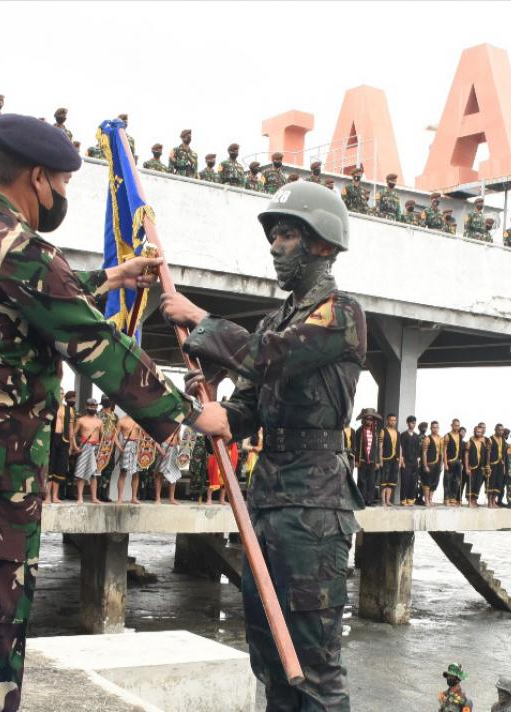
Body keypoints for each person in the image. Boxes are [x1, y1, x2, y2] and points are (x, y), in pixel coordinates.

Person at [0, 114, 227, 712]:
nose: (62, 197)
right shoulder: (17, 245)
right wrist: (187, 415)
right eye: (61, 184)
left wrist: (111, 276)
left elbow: (34, 298)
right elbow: (93, 342)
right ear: (36, 178)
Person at [160, 179, 365, 711]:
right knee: (268, 652)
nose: (274, 247)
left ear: (321, 243)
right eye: (273, 235)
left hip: (313, 505)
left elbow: (269, 357)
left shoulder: (340, 314)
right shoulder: (275, 319)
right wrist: (203, 409)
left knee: (314, 663)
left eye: (287, 235)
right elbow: (243, 411)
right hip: (268, 499)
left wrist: (201, 320)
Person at [71, 398, 102, 504]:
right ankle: (80, 497)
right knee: (81, 473)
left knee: (94, 474)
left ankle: (94, 498)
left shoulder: (99, 421)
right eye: (91, 406)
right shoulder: (81, 420)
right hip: (84, 447)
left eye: (95, 406)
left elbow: (103, 438)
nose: (93, 407)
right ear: (86, 406)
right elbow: (73, 434)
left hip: (96, 447)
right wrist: (75, 447)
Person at [354, 408, 382, 506]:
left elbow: (377, 448)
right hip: (362, 460)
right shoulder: (359, 432)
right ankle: (361, 500)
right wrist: (356, 460)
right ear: (363, 420)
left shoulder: (375, 433)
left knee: (371, 481)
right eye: (367, 419)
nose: (369, 421)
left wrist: (378, 461)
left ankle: (369, 500)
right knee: (362, 481)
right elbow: (356, 447)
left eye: (371, 419)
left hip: (373, 460)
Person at [114, 413, 143, 504]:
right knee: (123, 472)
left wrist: (141, 448)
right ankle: (120, 498)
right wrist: (119, 447)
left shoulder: (139, 420)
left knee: (136, 473)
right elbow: (115, 436)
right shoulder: (122, 421)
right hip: (126, 445)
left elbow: (143, 435)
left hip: (136, 446)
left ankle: (133, 497)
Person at [95, 396, 119, 500]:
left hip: (110, 448)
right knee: (97, 469)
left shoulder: (115, 416)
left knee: (109, 469)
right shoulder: (97, 415)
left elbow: (116, 432)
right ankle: (95, 493)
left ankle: (103, 493)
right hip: (98, 446)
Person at [205, 438, 238, 505]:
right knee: (213, 478)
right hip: (217, 456)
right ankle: (209, 499)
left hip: (227, 456)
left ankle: (222, 499)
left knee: (225, 481)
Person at [154, 428, 182, 504]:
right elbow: (155, 439)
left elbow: (178, 437)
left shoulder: (178, 424)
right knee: (159, 474)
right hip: (164, 448)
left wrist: (183, 449)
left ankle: (172, 498)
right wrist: (160, 450)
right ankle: (157, 498)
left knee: (173, 473)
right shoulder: (163, 424)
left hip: (174, 450)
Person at [465, 422, 489, 506]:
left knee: (478, 484)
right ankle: (469, 501)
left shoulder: (484, 441)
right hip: (472, 466)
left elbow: (487, 453)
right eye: (477, 432)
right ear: (474, 432)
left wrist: (486, 466)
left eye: (480, 432)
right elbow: (466, 455)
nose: (478, 433)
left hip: (481, 467)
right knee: (471, 483)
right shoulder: (470, 441)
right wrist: (467, 467)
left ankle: (474, 500)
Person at [399, 415, 421, 505]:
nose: (413, 424)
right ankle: (403, 500)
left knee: (413, 481)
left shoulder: (416, 436)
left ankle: (410, 499)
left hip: (414, 462)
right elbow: (401, 448)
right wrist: (402, 461)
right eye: (412, 422)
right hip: (406, 462)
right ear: (408, 423)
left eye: (414, 423)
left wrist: (418, 460)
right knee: (405, 481)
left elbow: (418, 449)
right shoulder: (403, 435)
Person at [421, 419, 444, 507]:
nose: (435, 429)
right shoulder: (427, 438)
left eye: (437, 427)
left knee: (435, 482)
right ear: (431, 428)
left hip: (438, 464)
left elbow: (442, 452)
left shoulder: (441, 439)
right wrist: (425, 465)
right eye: (434, 427)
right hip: (430, 463)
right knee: (427, 483)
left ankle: (430, 499)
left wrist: (442, 464)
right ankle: (426, 500)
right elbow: (424, 452)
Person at [381, 413, 401, 506]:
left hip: (395, 458)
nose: (393, 422)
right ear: (387, 421)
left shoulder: (397, 432)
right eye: (391, 420)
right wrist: (380, 459)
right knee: (384, 479)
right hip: (385, 458)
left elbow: (399, 447)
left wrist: (400, 459)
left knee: (392, 480)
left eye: (394, 420)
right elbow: (380, 446)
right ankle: (383, 501)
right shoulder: (383, 431)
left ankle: (388, 500)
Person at [443, 418, 464, 506]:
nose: (457, 427)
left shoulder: (460, 435)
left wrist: (461, 461)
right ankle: (446, 498)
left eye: (458, 425)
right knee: (447, 480)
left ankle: (453, 498)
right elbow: (444, 450)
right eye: (455, 425)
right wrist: (445, 463)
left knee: (456, 481)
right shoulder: (447, 435)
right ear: (452, 425)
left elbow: (460, 449)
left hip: (457, 462)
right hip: (449, 461)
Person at [487, 423, 507, 508]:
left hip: (500, 464)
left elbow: (504, 454)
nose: (501, 431)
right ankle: (489, 502)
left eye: (502, 430)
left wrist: (504, 466)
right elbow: (488, 453)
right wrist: (487, 465)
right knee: (491, 483)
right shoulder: (490, 439)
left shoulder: (503, 440)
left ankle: (494, 501)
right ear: (495, 429)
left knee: (498, 483)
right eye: (499, 430)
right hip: (492, 464)